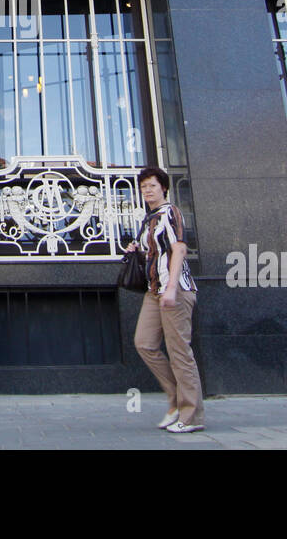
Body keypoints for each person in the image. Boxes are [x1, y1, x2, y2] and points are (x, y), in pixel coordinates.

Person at [125, 166, 204, 433]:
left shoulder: (171, 212)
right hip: (153, 290)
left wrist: (171, 288)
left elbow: (179, 248)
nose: (147, 190)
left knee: (180, 352)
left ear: (164, 188)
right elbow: (155, 252)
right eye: (144, 186)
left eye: (152, 186)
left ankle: (191, 416)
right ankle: (175, 400)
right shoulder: (150, 219)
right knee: (144, 343)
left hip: (175, 289)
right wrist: (137, 249)